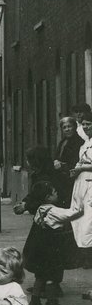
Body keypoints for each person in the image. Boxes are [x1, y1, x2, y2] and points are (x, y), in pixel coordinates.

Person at [22, 182, 74, 305]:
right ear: (48, 197)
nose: (57, 193)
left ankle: (35, 301)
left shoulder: (40, 209)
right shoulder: (53, 211)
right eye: (54, 192)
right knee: (52, 277)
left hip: (37, 250)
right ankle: (52, 304)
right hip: (49, 252)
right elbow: (70, 215)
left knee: (40, 276)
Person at [70, 112, 92, 268]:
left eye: (88, 124)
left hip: (90, 183)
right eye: (83, 124)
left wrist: (82, 167)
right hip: (81, 184)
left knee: (89, 222)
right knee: (78, 219)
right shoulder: (85, 143)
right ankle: (84, 257)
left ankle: (88, 259)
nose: (85, 127)